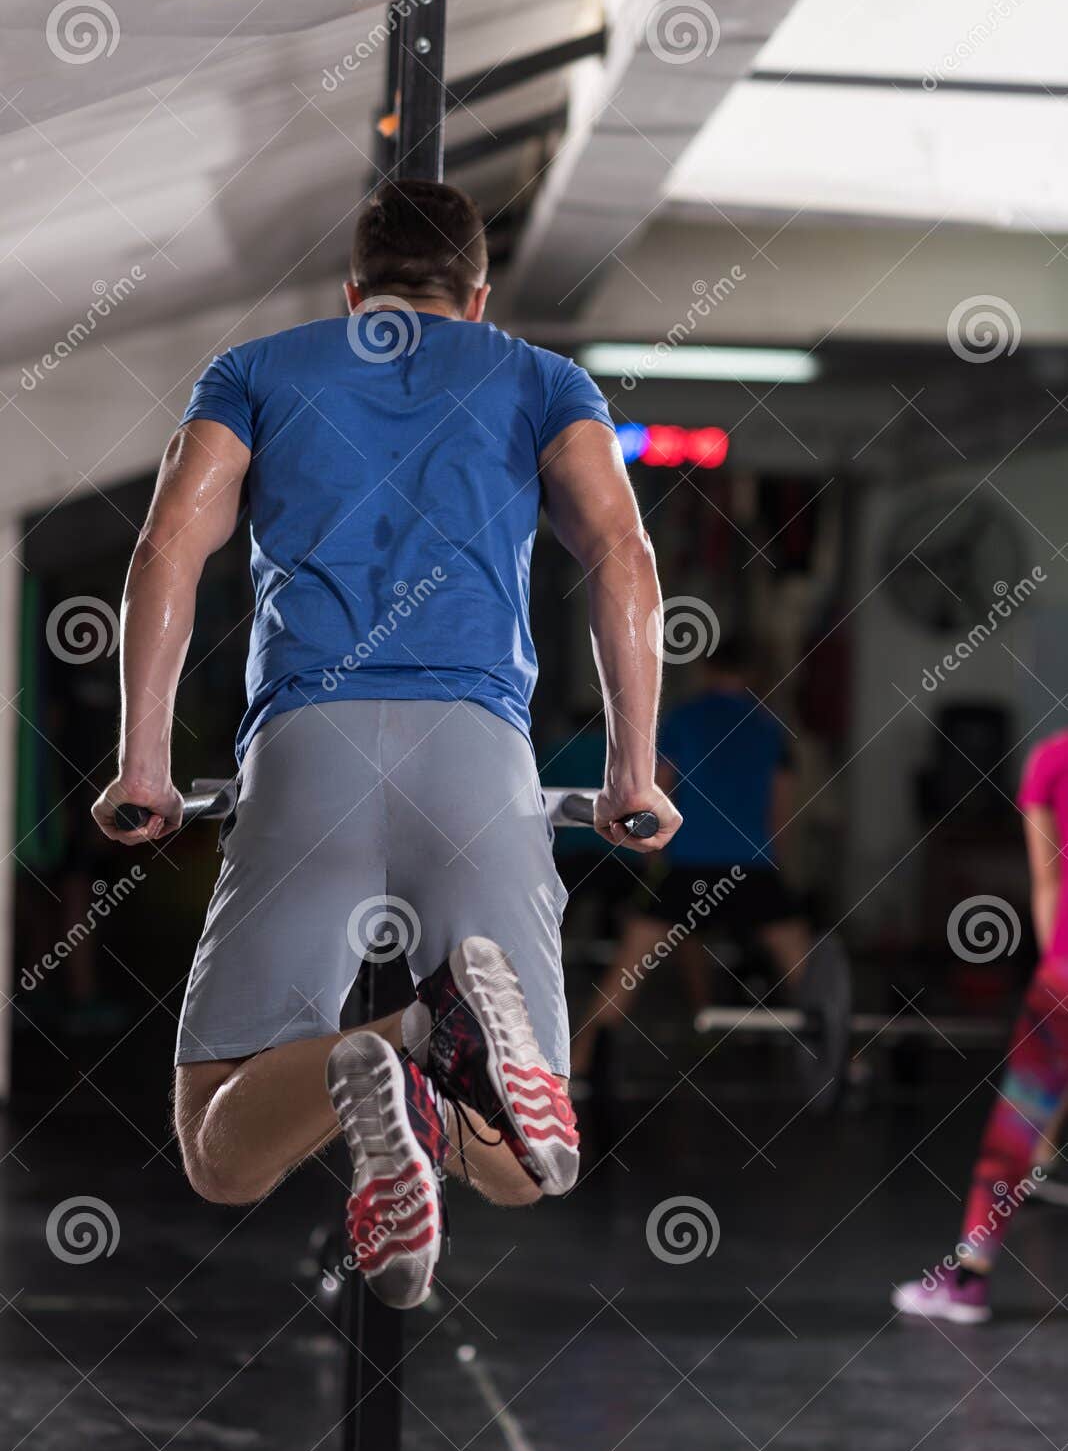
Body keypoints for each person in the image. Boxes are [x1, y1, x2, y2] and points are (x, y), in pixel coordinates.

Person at [91, 179, 680, 1310]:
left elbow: (168, 545)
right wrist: (631, 773)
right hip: (482, 766)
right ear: (480, 295)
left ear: (354, 292)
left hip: (305, 755)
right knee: (523, 1166)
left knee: (219, 1151)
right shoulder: (542, 379)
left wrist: (144, 764)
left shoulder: (255, 371)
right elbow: (623, 554)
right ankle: (438, 1034)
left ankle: (407, 1032)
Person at [570, 639, 809, 1078]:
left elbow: (658, 795)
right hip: (752, 867)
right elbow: (780, 814)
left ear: (706, 671)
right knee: (810, 981)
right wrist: (781, 876)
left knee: (624, 977)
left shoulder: (681, 719)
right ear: (753, 675)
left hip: (686, 867)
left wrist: (652, 863)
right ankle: (852, 1067)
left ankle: (571, 1073)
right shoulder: (770, 728)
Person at [893, 730, 1068, 1325]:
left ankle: (968, 1281)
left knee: (1012, 1140)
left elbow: (1049, 883)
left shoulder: (1052, 760)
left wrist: (1055, 969)